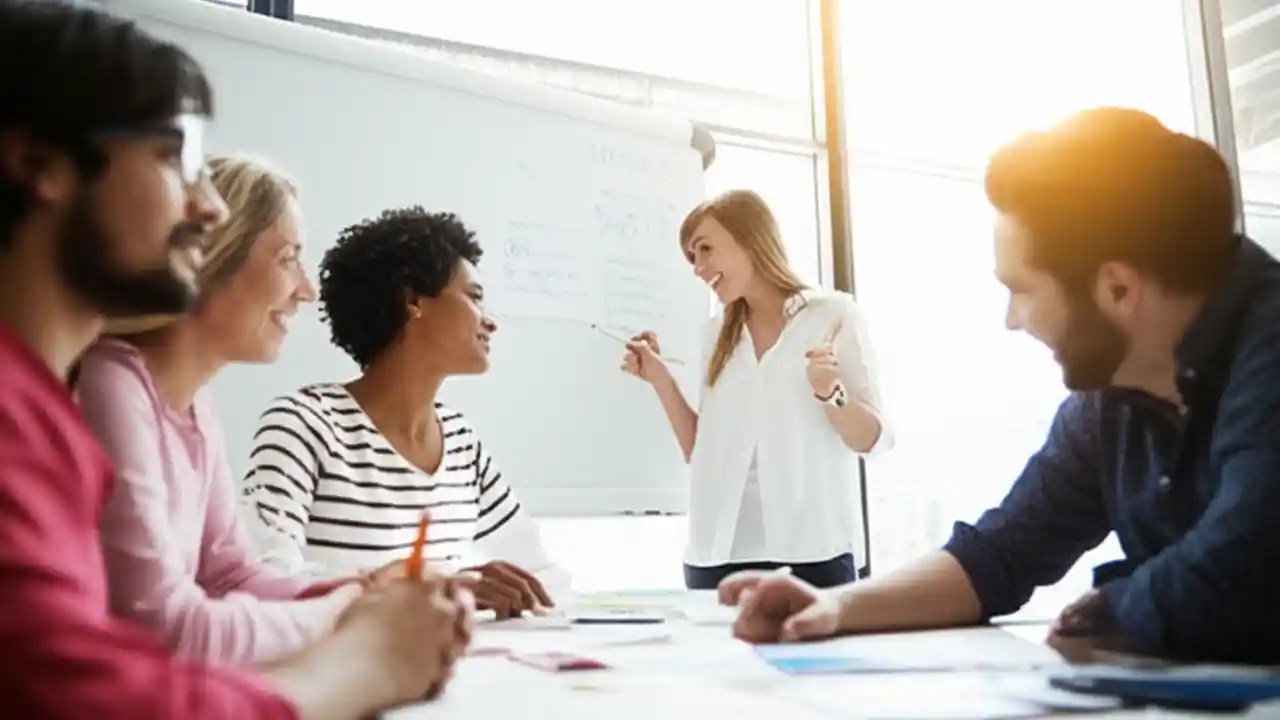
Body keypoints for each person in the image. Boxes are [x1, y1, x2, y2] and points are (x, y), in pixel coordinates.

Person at [0, 2, 470, 718]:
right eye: (171, 157)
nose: (209, 209)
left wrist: (357, 604)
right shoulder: (58, 401)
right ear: (38, 164)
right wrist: (363, 650)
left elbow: (215, 577)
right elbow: (101, 680)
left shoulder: (44, 413)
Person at [721, 108, 1280, 665]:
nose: (1013, 319)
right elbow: (1004, 551)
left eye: (1022, 290)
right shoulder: (1113, 400)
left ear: (1117, 288)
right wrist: (837, 606)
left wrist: (1112, 606)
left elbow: (1245, 569)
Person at [76, 153, 366, 666]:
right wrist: (343, 613)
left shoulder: (195, 405)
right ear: (213, 260)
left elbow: (228, 575)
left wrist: (361, 592)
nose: (307, 289)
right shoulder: (110, 385)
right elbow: (159, 625)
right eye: (287, 258)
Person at [243, 206, 567, 619]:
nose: (490, 322)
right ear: (414, 300)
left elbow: (539, 572)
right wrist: (443, 588)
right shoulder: (304, 424)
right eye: (474, 297)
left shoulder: (461, 441)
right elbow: (265, 581)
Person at [621, 189, 891, 590]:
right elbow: (702, 450)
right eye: (692, 257)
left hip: (812, 556)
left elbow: (874, 439)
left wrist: (830, 392)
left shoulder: (834, 315)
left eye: (705, 249)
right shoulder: (715, 335)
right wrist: (661, 378)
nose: (698, 267)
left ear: (750, 238)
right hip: (716, 555)